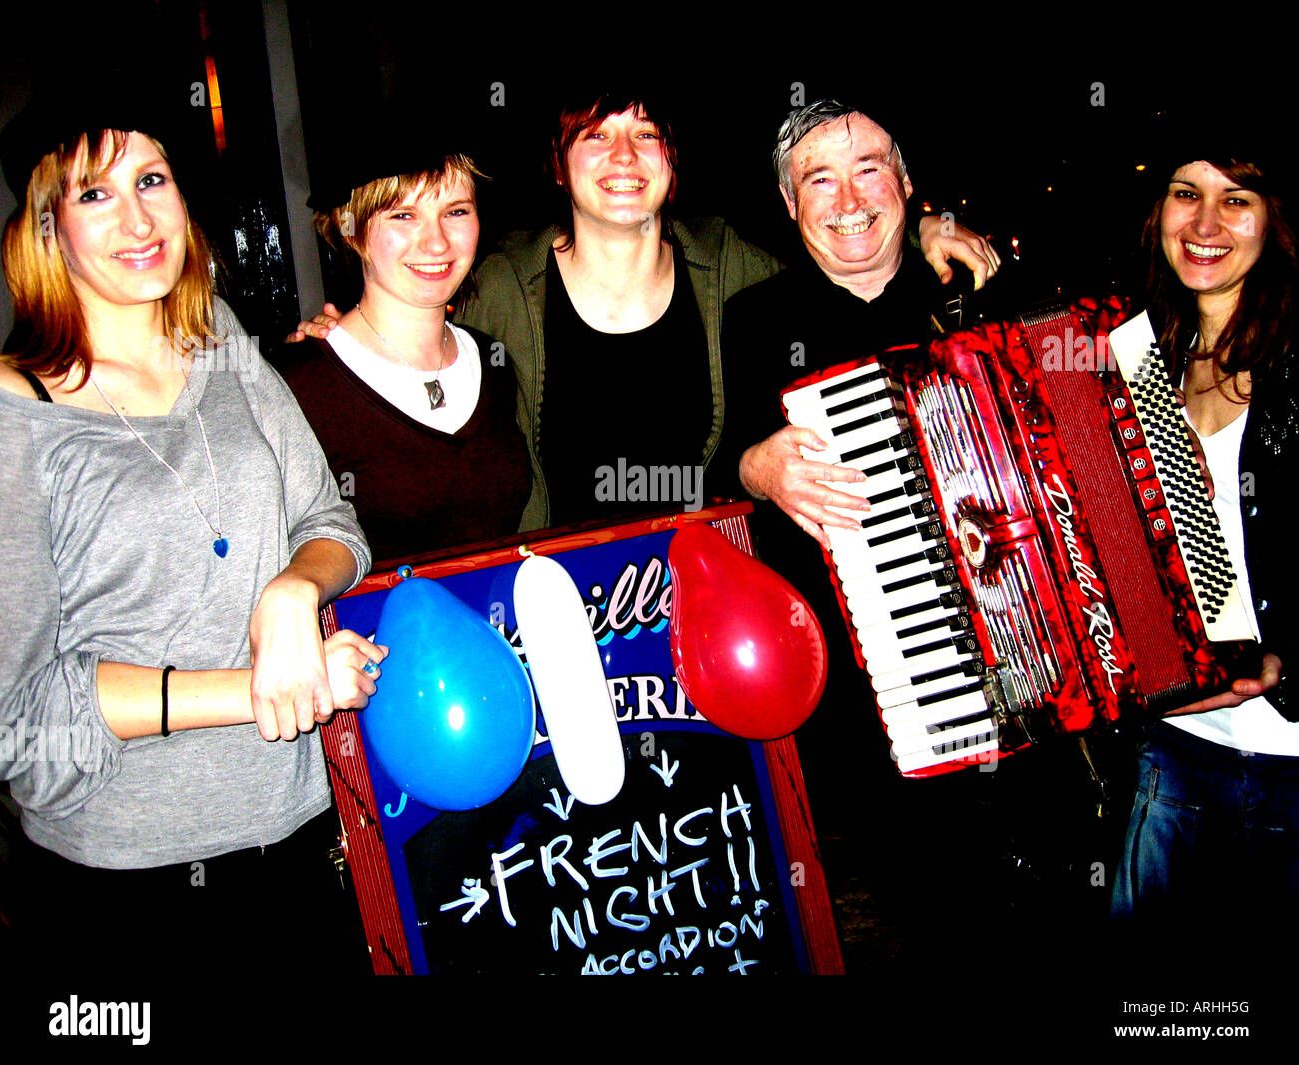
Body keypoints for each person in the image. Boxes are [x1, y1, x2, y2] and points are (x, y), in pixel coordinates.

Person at [718, 100, 1114, 974]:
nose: (848, 196)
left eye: (868, 168)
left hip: (1039, 670)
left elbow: (1079, 413)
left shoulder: (980, 289)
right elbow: (721, 476)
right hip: (883, 704)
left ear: (906, 185)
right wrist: (754, 467)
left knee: (1064, 918)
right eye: (818, 178)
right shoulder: (755, 320)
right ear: (791, 208)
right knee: (941, 927)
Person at [0, 92, 383, 973]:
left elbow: (331, 522)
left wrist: (298, 588)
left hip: (300, 836)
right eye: (95, 194)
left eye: (153, 179)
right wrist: (264, 688)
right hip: (125, 890)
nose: (136, 218)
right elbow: (21, 718)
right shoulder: (18, 409)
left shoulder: (224, 344)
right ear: (48, 228)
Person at [292, 89, 997, 531]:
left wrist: (922, 229)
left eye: (646, 131)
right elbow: (410, 309)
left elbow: (843, 269)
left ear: (672, 158)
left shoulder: (730, 265)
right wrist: (338, 349)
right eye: (596, 134)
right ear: (559, 163)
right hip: (562, 611)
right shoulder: (504, 281)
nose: (623, 155)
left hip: (713, 598)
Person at [1109, 125, 1298, 952]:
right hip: (1177, 743)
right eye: (1187, 194)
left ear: (1275, 220)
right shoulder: (1139, 355)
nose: (1207, 223)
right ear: (1158, 213)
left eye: (1237, 199)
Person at [274, 131, 530, 568]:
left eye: (455, 211)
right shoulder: (295, 386)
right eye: (403, 216)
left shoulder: (493, 359)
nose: (436, 242)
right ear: (350, 230)